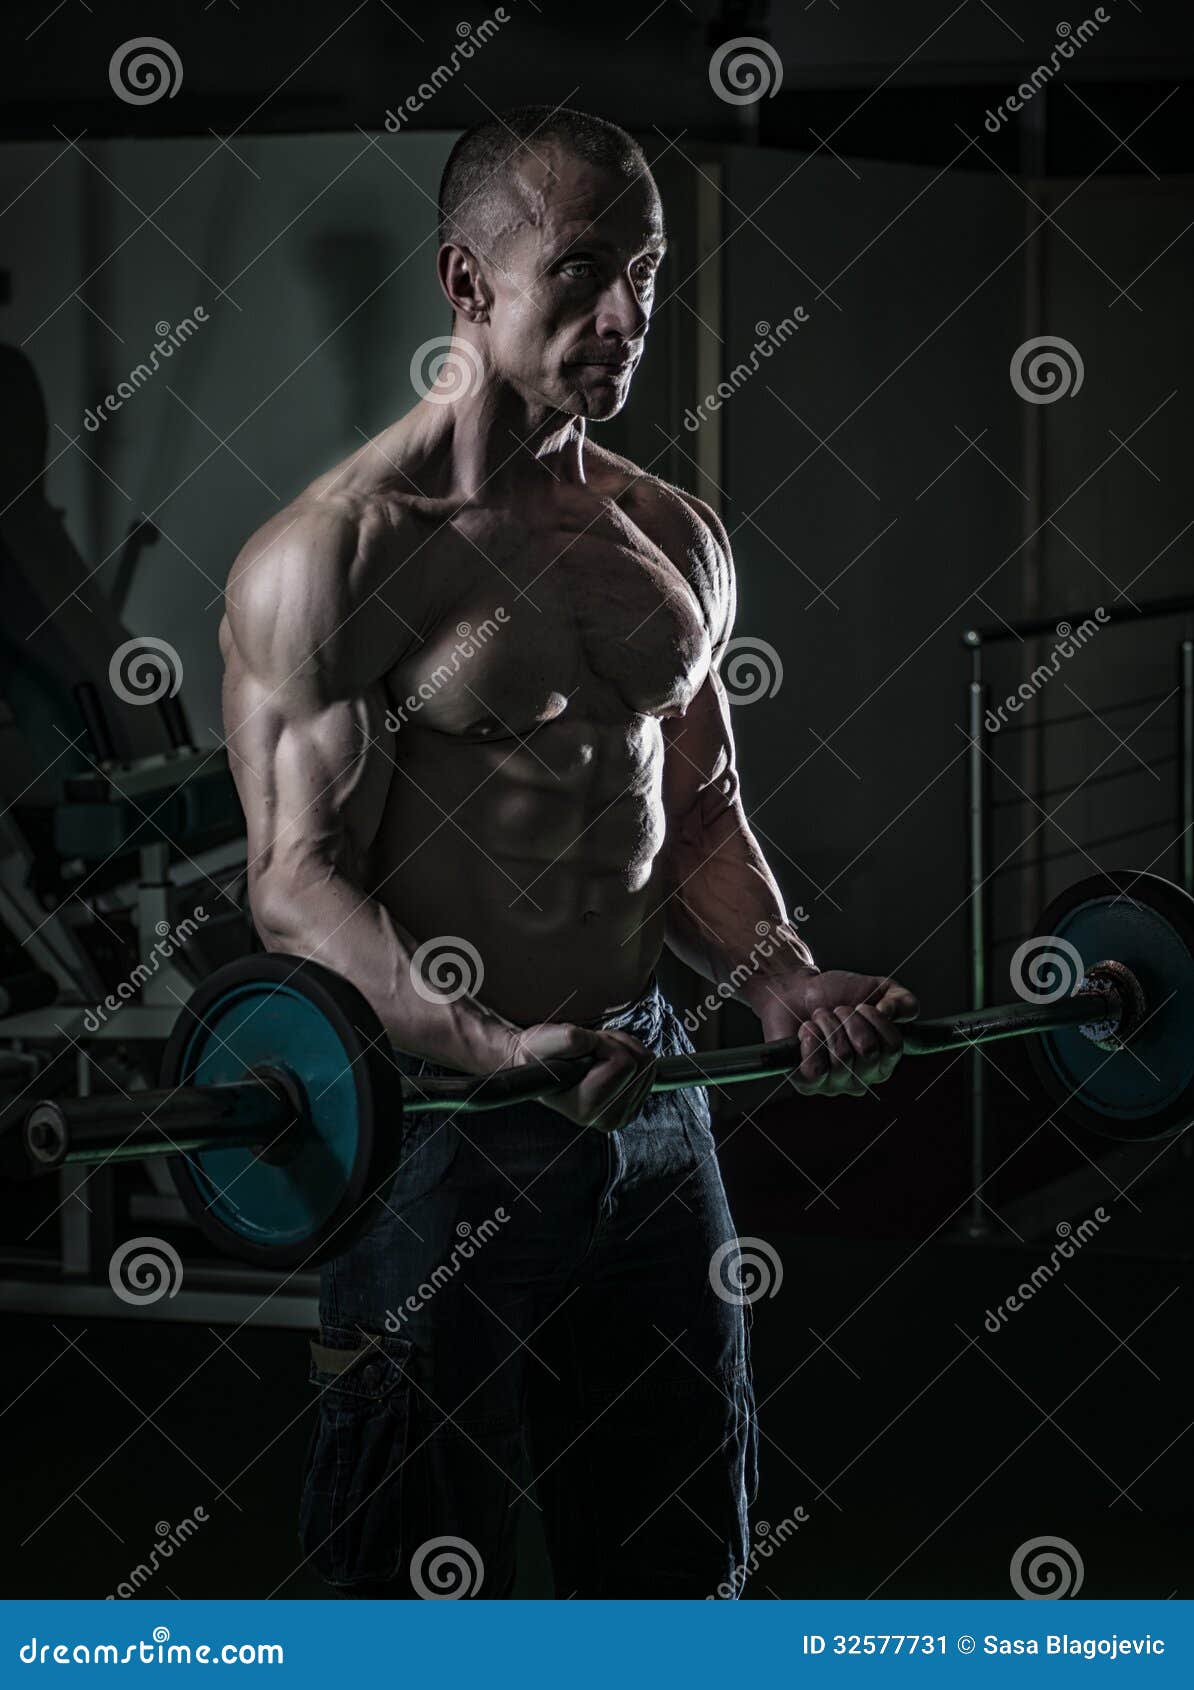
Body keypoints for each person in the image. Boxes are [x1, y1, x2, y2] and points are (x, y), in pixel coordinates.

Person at [219, 105, 918, 1599]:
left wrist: (776, 979)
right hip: (439, 1130)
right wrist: (481, 1039)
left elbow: (702, 808)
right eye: (586, 269)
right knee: (407, 1574)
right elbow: (294, 877)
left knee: (679, 1552)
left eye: (648, 274)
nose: (627, 315)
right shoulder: (340, 553)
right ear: (468, 285)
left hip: (653, 1101)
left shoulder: (673, 534)